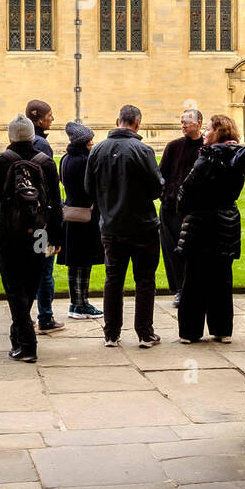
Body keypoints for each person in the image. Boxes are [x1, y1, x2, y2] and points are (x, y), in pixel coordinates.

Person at [0, 114, 63, 361]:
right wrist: (56, 237)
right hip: (39, 233)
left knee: (14, 288)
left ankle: (26, 344)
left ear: (10, 136)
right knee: (30, 285)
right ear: (31, 135)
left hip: (8, 234)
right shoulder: (46, 163)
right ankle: (19, 334)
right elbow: (55, 205)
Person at [84, 104, 164, 348]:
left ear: (117, 120)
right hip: (143, 227)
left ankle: (111, 333)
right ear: (137, 123)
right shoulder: (143, 150)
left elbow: (89, 188)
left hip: (111, 226)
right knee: (145, 280)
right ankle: (145, 333)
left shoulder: (97, 151)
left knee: (113, 278)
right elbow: (156, 189)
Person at [175, 114, 245, 344]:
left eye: (208, 129)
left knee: (194, 279)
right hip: (227, 221)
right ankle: (222, 330)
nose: (205, 133)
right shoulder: (237, 158)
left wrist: (183, 207)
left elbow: (186, 191)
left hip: (202, 223)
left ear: (218, 132)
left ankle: (190, 332)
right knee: (222, 279)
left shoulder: (208, 158)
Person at [25, 98, 65, 333]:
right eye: (49, 115)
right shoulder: (42, 146)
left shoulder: (20, 142)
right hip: (42, 223)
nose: (52, 119)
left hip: (24, 221)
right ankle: (46, 318)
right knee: (44, 269)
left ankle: (24, 316)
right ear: (38, 118)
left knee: (27, 269)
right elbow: (49, 190)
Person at [158, 108, 204, 307]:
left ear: (199, 123)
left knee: (193, 252)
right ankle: (178, 289)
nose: (183, 125)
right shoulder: (173, 146)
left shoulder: (206, 147)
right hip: (171, 208)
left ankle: (193, 288)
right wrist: (166, 195)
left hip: (195, 210)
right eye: (182, 121)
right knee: (172, 251)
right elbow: (161, 175)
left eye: (188, 121)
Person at [58, 121, 104, 319]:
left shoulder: (65, 159)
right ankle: (81, 304)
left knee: (74, 262)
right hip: (85, 215)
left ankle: (75, 303)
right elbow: (91, 187)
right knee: (84, 261)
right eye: (89, 140)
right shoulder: (85, 161)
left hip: (70, 214)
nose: (92, 143)